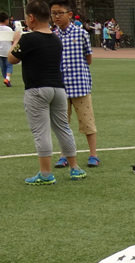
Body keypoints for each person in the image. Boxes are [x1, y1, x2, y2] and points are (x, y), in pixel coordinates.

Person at [8, 0, 85, 185]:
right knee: (63, 128)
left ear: (31, 18)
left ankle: (45, 173)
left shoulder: (28, 39)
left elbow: (11, 59)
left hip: (36, 89)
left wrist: (17, 40)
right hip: (58, 88)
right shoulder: (56, 39)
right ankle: (75, 168)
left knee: (41, 131)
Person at [50, 1, 100, 169]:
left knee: (88, 122)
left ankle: (93, 154)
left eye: (59, 13)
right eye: (53, 13)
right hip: (60, 86)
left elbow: (88, 58)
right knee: (62, 123)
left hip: (80, 85)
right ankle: (64, 154)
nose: (56, 17)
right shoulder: (52, 35)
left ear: (69, 14)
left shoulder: (81, 34)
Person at [0, 11, 21, 87]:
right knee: (9, 65)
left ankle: (5, 78)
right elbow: (13, 39)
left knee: (3, 67)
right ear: (6, 20)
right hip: (8, 50)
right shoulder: (9, 29)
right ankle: (7, 78)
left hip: (0, 51)